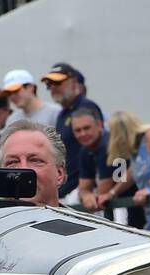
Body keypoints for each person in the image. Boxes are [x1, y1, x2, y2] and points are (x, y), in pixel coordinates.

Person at [41, 62, 100, 199]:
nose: (53, 88)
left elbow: (99, 150)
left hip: (83, 192)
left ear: (73, 82)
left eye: (58, 83)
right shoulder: (63, 113)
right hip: (66, 190)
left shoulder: (85, 107)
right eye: (49, 85)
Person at [0, 120, 66, 208]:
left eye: (35, 160)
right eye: (12, 162)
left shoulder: (81, 222)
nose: (23, 169)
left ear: (59, 174)